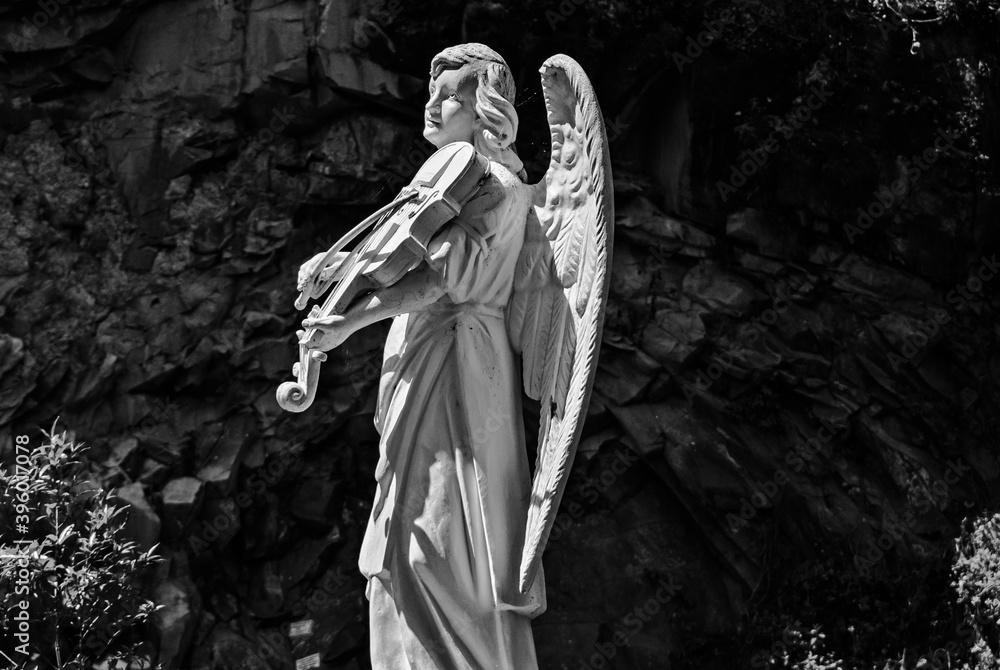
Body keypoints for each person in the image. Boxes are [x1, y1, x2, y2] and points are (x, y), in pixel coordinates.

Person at [297, 43, 545, 670]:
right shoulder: (460, 182)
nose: (433, 103)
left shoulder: (498, 185)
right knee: (399, 531)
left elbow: (438, 280)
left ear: (486, 107)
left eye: (453, 94)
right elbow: (403, 251)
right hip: (430, 348)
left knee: (431, 539)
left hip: (461, 361)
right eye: (433, 92)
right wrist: (341, 268)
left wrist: (347, 320)